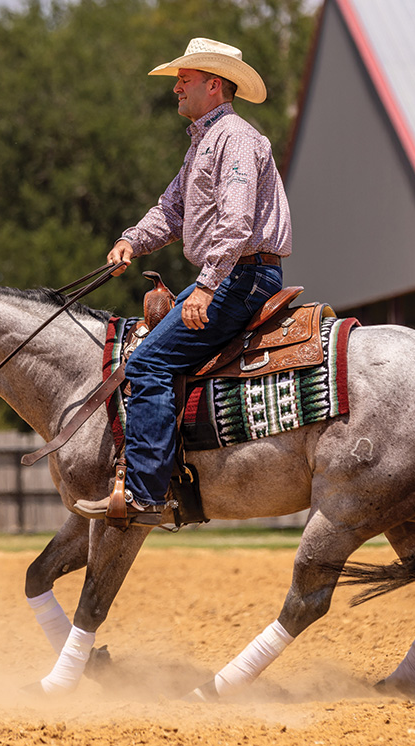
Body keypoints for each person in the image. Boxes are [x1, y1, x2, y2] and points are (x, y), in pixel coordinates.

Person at [75, 37, 293, 521]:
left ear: (214, 86)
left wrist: (210, 285)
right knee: (151, 353)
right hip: (238, 271)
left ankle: (146, 493)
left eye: (185, 79)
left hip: (240, 276)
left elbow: (236, 224)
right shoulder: (204, 144)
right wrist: (133, 239)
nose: (176, 88)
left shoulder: (233, 138)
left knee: (147, 363)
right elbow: (172, 211)